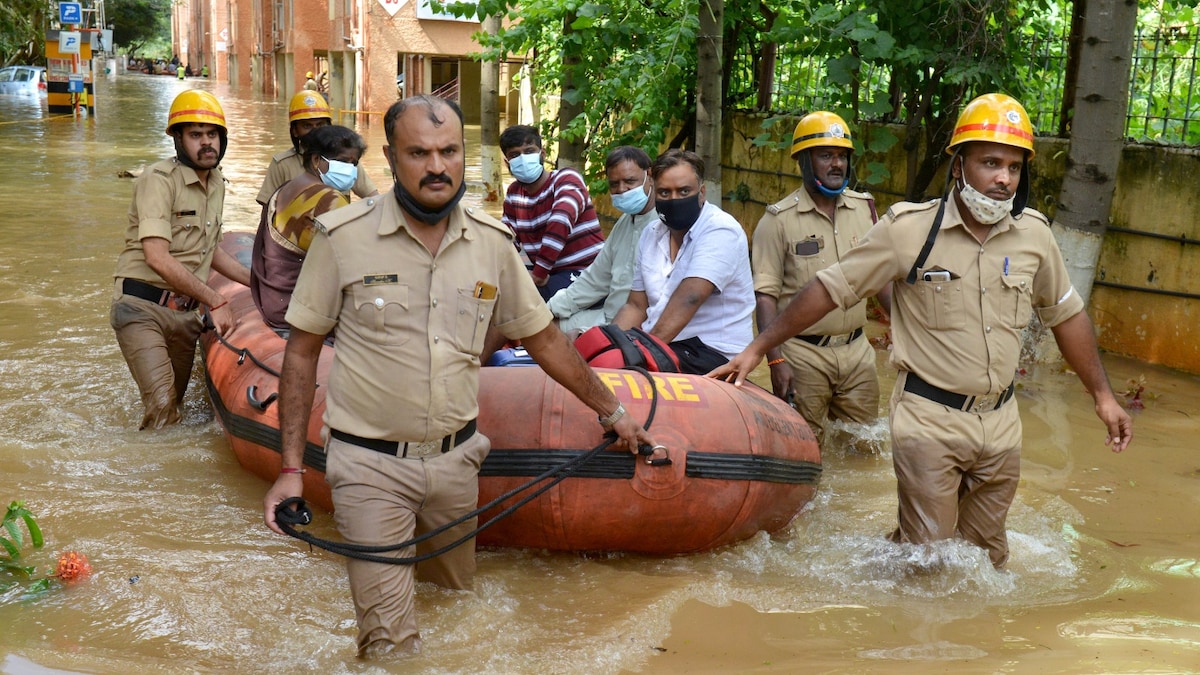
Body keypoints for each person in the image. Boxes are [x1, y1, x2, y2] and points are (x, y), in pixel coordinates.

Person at [261, 95, 658, 657]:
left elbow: (543, 339)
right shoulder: (341, 237)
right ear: (392, 159)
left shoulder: (492, 244)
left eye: (449, 151)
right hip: (368, 466)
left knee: (456, 612)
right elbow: (300, 354)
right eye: (419, 152)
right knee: (392, 648)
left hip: (456, 463)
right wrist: (291, 470)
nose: (436, 165)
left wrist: (615, 414)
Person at [712, 93, 1133, 568]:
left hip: (1001, 423)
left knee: (987, 560)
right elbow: (830, 289)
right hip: (928, 418)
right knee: (934, 561)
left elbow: (1066, 314)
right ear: (958, 166)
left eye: (1014, 168)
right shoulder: (908, 229)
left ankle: (904, 570)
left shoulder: (1034, 234)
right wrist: (760, 350)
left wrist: (1102, 395)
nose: (1003, 178)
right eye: (990, 163)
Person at [110, 90, 252, 429]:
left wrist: (261, 282)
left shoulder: (216, 182)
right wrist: (216, 300)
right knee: (162, 408)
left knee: (176, 407)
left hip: (185, 316)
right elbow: (157, 257)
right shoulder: (157, 181)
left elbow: (210, 249)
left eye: (213, 134)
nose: (207, 143)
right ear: (177, 139)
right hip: (142, 309)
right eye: (195, 135)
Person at [752, 111, 890, 445]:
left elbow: (881, 277)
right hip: (803, 354)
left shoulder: (865, 209)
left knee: (865, 447)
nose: (836, 164)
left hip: (858, 351)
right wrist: (776, 359)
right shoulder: (777, 221)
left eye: (842, 156)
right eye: (826, 155)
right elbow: (765, 296)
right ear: (804, 161)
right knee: (805, 448)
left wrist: (902, 327)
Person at [612, 149, 754, 375]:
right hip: (664, 344)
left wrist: (643, 353)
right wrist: (610, 341)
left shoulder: (720, 230)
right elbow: (636, 305)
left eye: (684, 191)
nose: (674, 199)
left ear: (702, 193)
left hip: (710, 352)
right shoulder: (651, 233)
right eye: (665, 193)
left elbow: (691, 296)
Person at [251, 124, 365, 335]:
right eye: (342, 161)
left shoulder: (285, 188)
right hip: (298, 309)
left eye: (354, 163)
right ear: (315, 160)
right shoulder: (329, 199)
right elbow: (349, 263)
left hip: (273, 301)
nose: (349, 169)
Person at [546, 146, 658, 335]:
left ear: (650, 176)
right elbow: (595, 279)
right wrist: (550, 309)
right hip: (606, 315)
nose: (622, 190)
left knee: (568, 338)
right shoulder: (624, 222)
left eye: (630, 181)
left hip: (638, 328)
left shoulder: (664, 225)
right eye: (614, 184)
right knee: (533, 327)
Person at [499, 124, 605, 301]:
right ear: (507, 163)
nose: (523, 159)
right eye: (515, 155)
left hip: (588, 271)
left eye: (529, 151)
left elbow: (561, 221)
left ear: (542, 153)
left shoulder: (566, 179)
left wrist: (538, 274)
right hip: (552, 273)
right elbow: (505, 239)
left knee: (527, 303)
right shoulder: (514, 193)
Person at [257, 91, 378, 206]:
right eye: (307, 126)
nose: (315, 131)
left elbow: (373, 198)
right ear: (295, 131)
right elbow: (268, 210)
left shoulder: (347, 161)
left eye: (320, 124)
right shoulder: (282, 164)